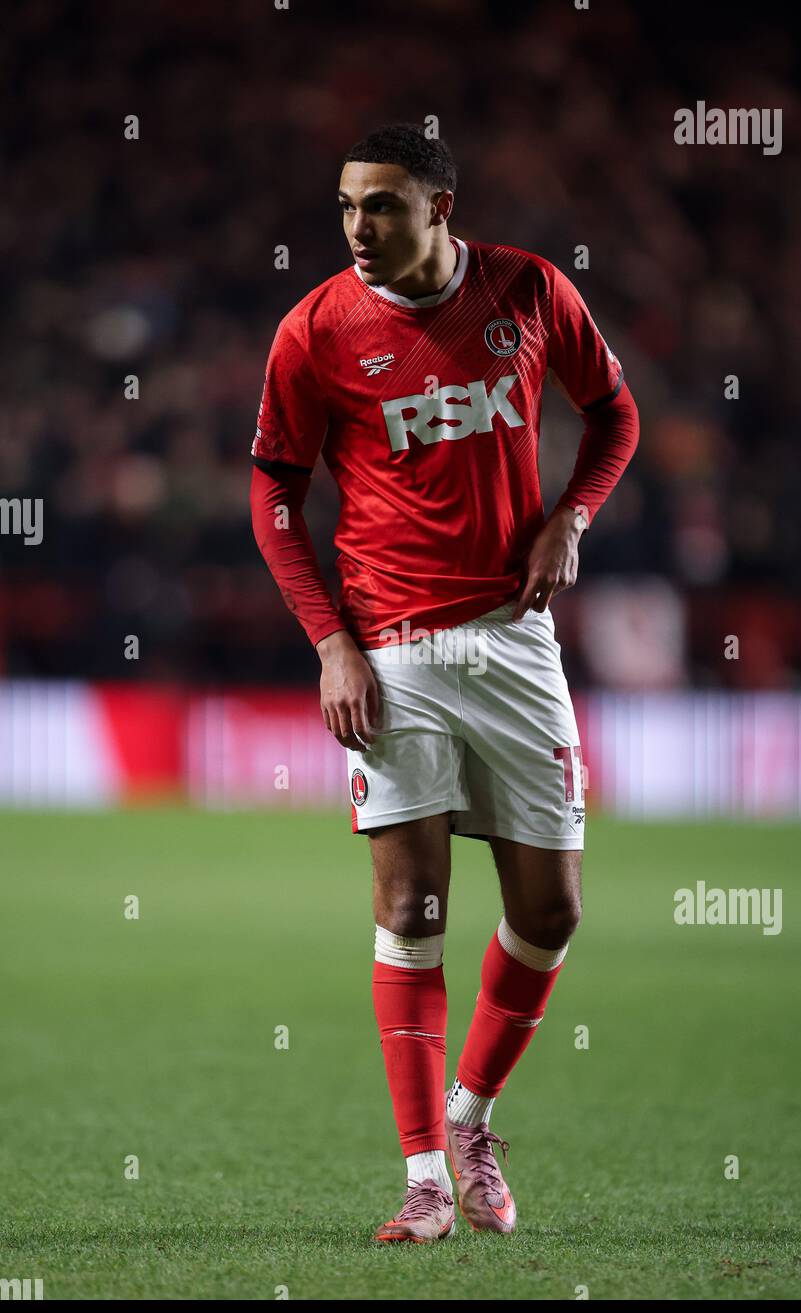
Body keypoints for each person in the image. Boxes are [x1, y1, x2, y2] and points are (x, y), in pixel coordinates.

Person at [250, 122, 639, 1242]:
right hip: (390, 650)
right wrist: (329, 642)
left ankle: (470, 1118)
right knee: (410, 911)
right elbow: (274, 501)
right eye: (344, 207)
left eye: (380, 205)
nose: (357, 228)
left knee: (551, 908)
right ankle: (423, 1176)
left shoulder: (528, 292)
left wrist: (570, 517)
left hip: (513, 638)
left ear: (440, 210)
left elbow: (611, 412)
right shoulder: (314, 330)